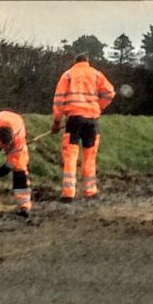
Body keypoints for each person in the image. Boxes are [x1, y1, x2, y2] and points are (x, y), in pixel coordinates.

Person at [51, 53, 116, 201]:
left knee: (71, 155)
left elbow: (58, 100)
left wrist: (56, 121)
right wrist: (98, 107)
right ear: (87, 61)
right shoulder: (96, 74)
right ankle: (90, 190)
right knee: (90, 156)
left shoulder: (68, 75)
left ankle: (68, 193)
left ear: (75, 62)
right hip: (92, 120)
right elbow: (110, 93)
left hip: (74, 120)